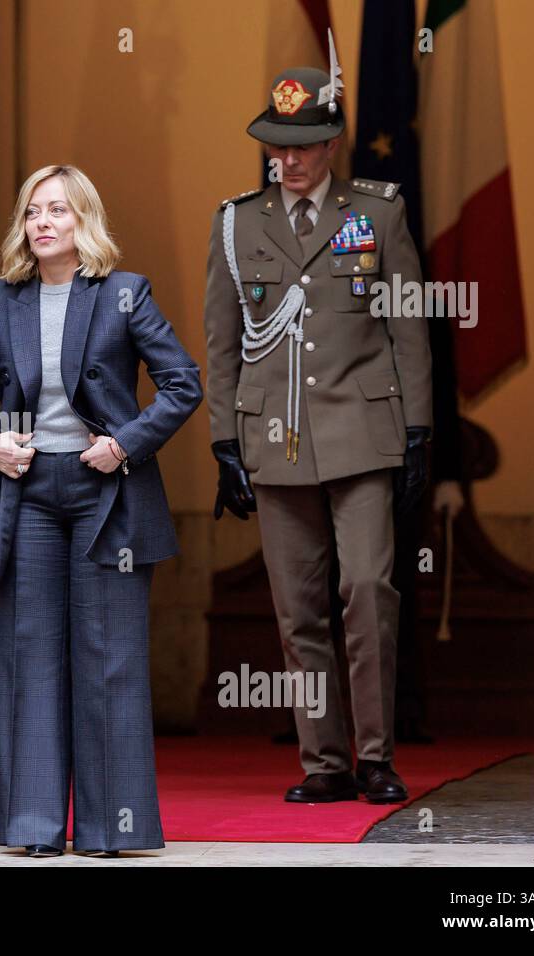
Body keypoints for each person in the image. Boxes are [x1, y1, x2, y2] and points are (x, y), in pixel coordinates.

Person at [203, 65, 433, 804]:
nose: (288, 159)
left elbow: (407, 324)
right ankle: (323, 762)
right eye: (277, 145)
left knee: (367, 590)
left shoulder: (379, 213)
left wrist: (420, 428)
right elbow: (223, 339)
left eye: (302, 145)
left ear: (332, 141)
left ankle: (374, 756)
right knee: (297, 609)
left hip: (364, 431)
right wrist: (223, 442)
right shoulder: (237, 222)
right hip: (275, 436)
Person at [0, 165, 201, 856]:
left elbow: (182, 383)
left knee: (108, 661)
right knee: (29, 655)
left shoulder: (124, 293)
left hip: (107, 493)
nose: (42, 222)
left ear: (82, 220)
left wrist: (123, 444)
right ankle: (33, 829)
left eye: (58, 211)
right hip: (28, 492)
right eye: (33, 211)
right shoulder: (2, 300)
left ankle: (109, 830)